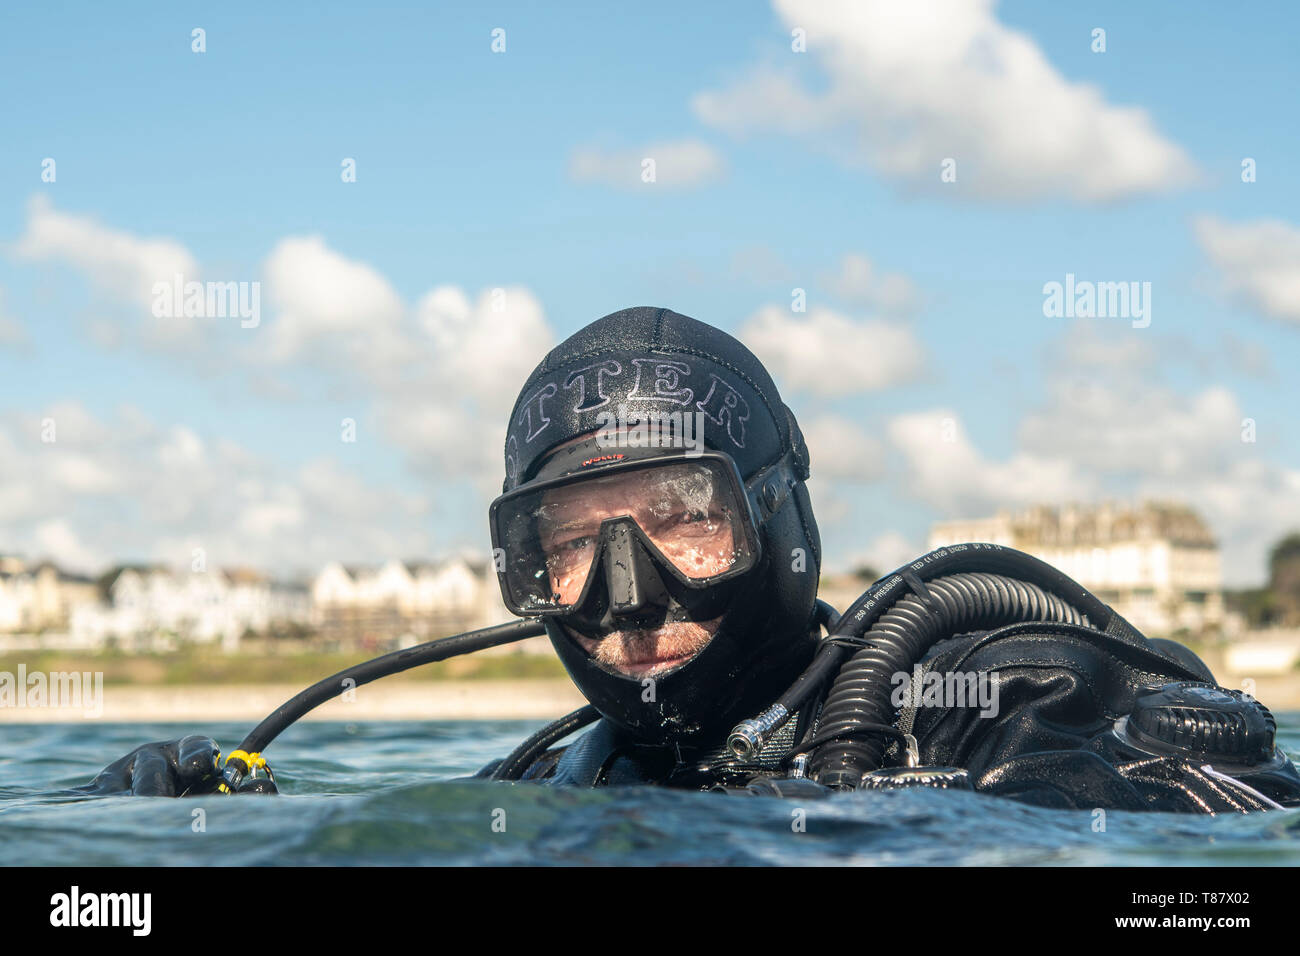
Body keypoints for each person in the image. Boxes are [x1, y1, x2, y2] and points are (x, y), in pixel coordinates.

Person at [82, 307, 1300, 812]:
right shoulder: (562, 779)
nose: (627, 591)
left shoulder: (993, 694)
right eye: (568, 545)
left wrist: (1132, 767)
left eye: (682, 517)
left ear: (781, 520)